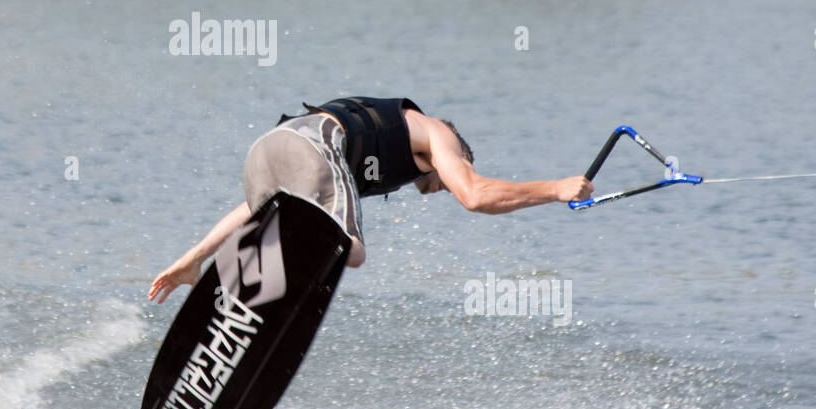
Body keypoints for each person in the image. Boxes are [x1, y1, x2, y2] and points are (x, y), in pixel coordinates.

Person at [148, 96, 593, 303]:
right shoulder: (438, 133)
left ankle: (250, 279)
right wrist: (556, 190)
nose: (441, 188)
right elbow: (475, 196)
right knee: (353, 251)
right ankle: (277, 278)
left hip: (266, 152)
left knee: (290, 222)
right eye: (453, 170)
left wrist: (193, 258)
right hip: (313, 145)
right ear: (456, 151)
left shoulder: (359, 166)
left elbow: (251, 207)